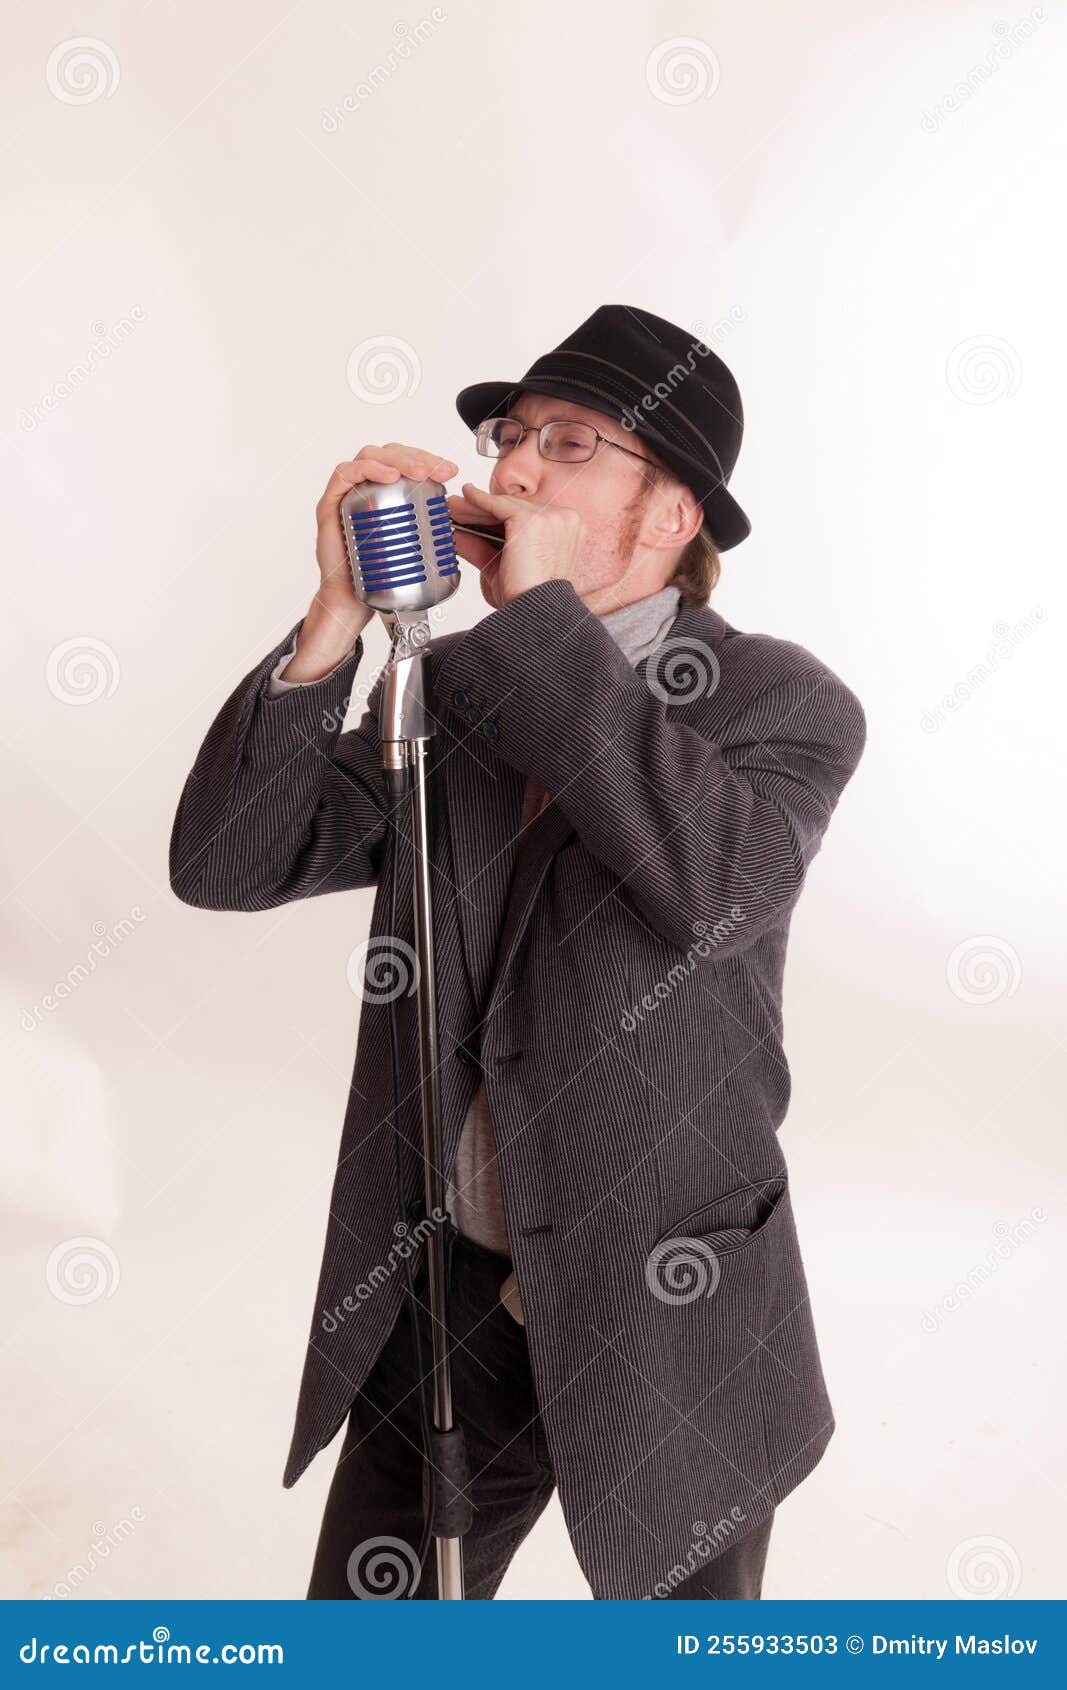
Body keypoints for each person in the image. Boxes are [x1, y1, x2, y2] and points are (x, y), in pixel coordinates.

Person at [169, 304, 867, 1600]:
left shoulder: (785, 704)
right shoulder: (453, 690)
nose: (516, 469)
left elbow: (715, 886)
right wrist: (335, 619)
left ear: (674, 518)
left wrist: (541, 615)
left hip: (676, 1310)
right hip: (450, 1309)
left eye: (572, 443)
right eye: (510, 436)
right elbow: (230, 863)